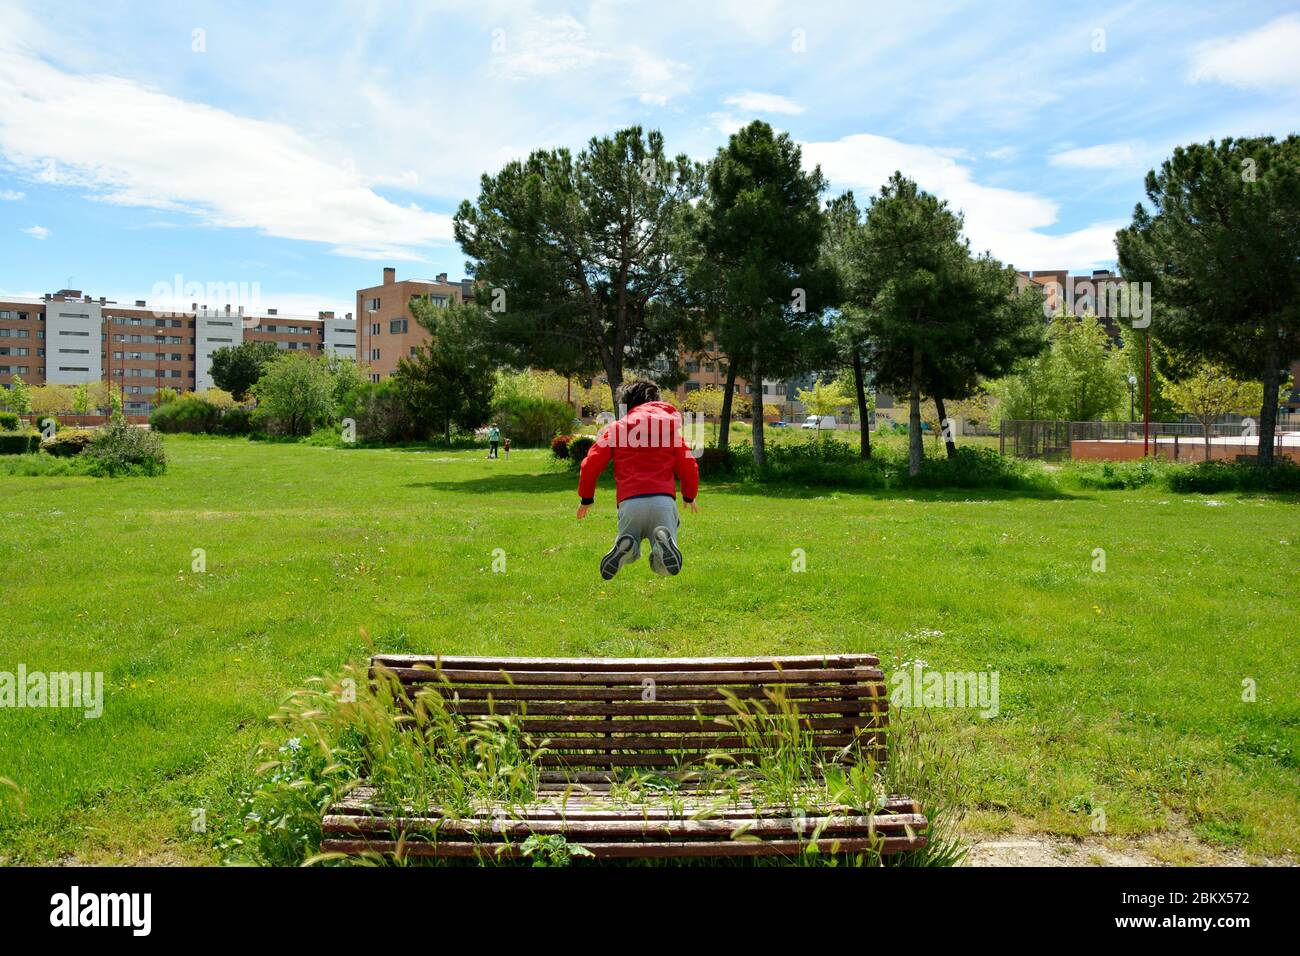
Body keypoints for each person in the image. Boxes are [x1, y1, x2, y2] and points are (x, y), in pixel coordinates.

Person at [576, 379, 699, 580]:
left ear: (627, 404)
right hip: (663, 502)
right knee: (665, 567)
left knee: (629, 542)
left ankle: (628, 546)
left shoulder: (617, 428)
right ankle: (662, 547)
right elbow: (689, 464)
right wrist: (689, 496)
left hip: (630, 503)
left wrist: (586, 498)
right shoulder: (670, 431)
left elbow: (591, 464)